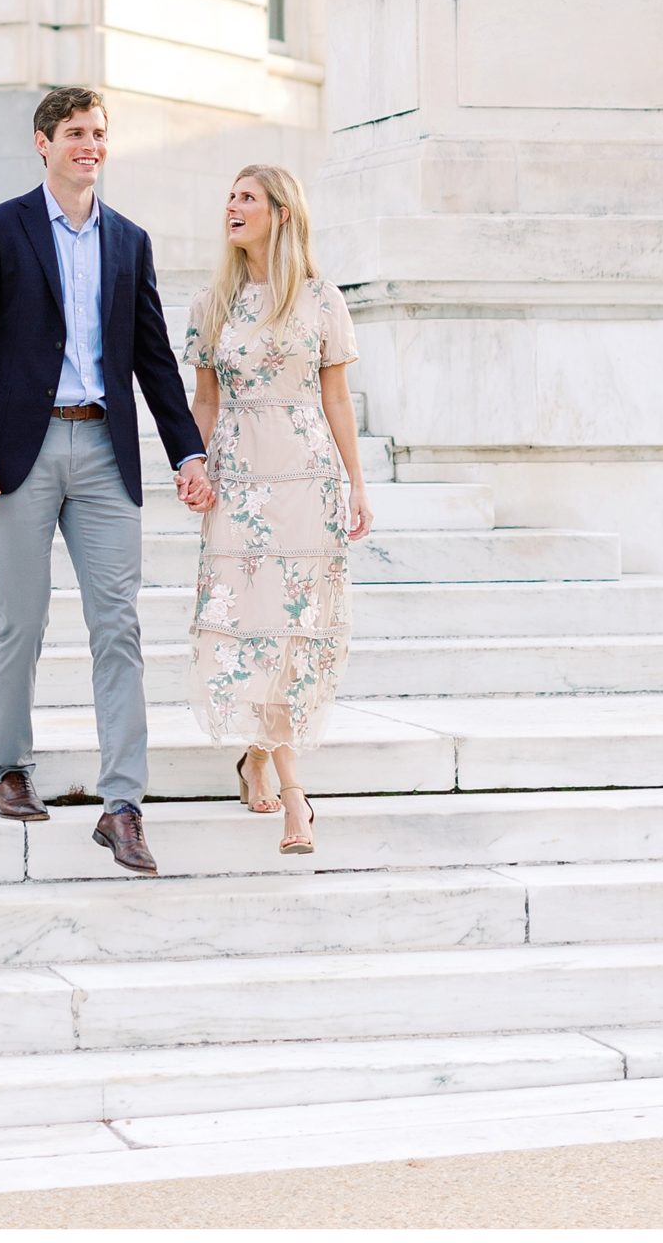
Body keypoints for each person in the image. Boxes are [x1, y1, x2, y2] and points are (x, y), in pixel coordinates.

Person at [0, 85, 217, 876]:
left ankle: (123, 803)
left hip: (104, 450)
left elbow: (156, 362)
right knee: (20, 621)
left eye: (98, 133)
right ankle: (9, 766)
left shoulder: (129, 240)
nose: (88, 145)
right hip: (20, 454)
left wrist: (188, 453)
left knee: (118, 628)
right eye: (73, 132)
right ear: (43, 142)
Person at [184, 164, 374, 853]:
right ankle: (297, 801)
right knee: (255, 627)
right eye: (229, 195)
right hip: (239, 480)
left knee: (292, 635)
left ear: (281, 213)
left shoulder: (323, 300)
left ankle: (259, 756)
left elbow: (338, 400)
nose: (231, 207)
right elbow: (204, 399)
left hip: (306, 480)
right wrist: (193, 465)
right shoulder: (213, 304)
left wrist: (356, 483)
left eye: (247, 198)